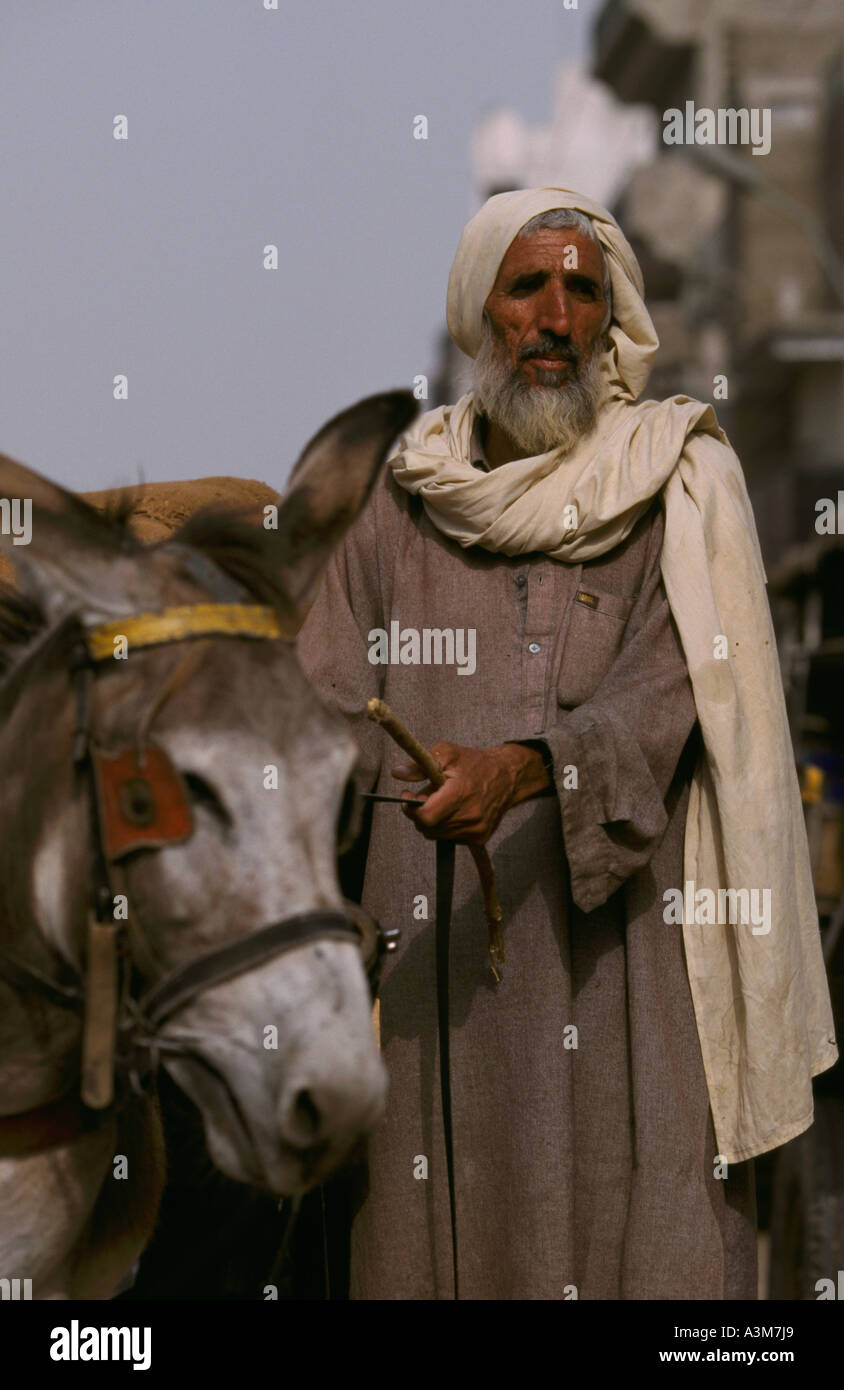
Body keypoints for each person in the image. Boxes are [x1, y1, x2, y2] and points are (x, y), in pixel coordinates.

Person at [296, 187, 838, 1300]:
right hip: (432, 998)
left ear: (608, 319)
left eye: (582, 291)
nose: (555, 316)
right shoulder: (395, 510)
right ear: (478, 310)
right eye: (526, 287)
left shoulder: (672, 487)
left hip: (628, 986)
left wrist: (523, 769)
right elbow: (317, 727)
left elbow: (670, 695)